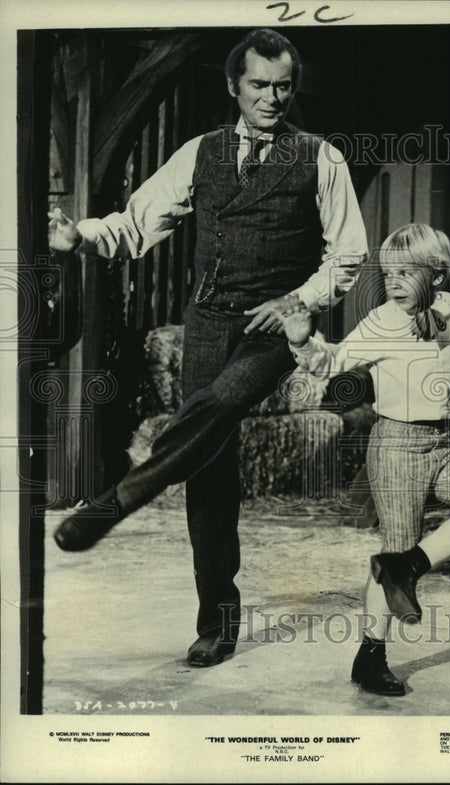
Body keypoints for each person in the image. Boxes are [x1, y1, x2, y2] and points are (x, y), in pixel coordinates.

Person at [48, 28, 368, 668]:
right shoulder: (201, 152)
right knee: (209, 473)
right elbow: (138, 223)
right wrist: (80, 235)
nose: (271, 98)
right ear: (234, 86)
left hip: (276, 328)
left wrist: (299, 301)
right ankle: (217, 623)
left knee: (219, 404)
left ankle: (123, 496)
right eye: (258, 85)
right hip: (208, 321)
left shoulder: (321, 158)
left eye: (283, 86)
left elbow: (350, 253)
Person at [278, 222, 450, 696]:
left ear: (438, 278)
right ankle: (370, 656)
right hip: (397, 448)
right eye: (389, 274)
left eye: (408, 273)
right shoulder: (383, 322)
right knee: (392, 557)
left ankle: (411, 565)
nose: (395, 282)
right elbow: (331, 363)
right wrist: (302, 340)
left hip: (441, 445)